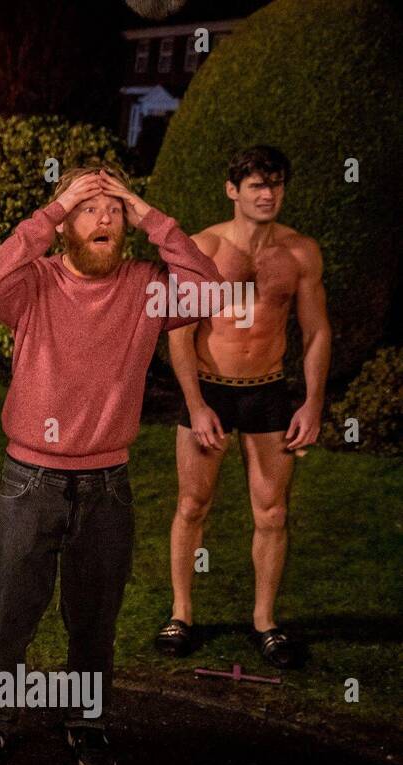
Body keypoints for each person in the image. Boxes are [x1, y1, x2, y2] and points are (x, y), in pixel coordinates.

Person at [0, 163, 225, 765]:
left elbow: (209, 291)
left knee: (94, 616)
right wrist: (53, 209)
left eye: (113, 209)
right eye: (89, 208)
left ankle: (86, 720)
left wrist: (146, 209)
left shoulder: (144, 286)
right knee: (8, 611)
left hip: (108, 483)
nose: (103, 217)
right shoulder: (35, 284)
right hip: (29, 479)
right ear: (64, 227)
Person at [157, 146, 329, 669]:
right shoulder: (203, 249)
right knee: (193, 505)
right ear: (233, 190)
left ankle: (265, 622)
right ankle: (181, 614)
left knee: (272, 512)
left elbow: (317, 331)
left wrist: (312, 404)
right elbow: (179, 334)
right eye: (255, 184)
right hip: (209, 390)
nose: (266, 193)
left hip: (268, 391)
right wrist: (196, 404)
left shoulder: (300, 253)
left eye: (274, 184)